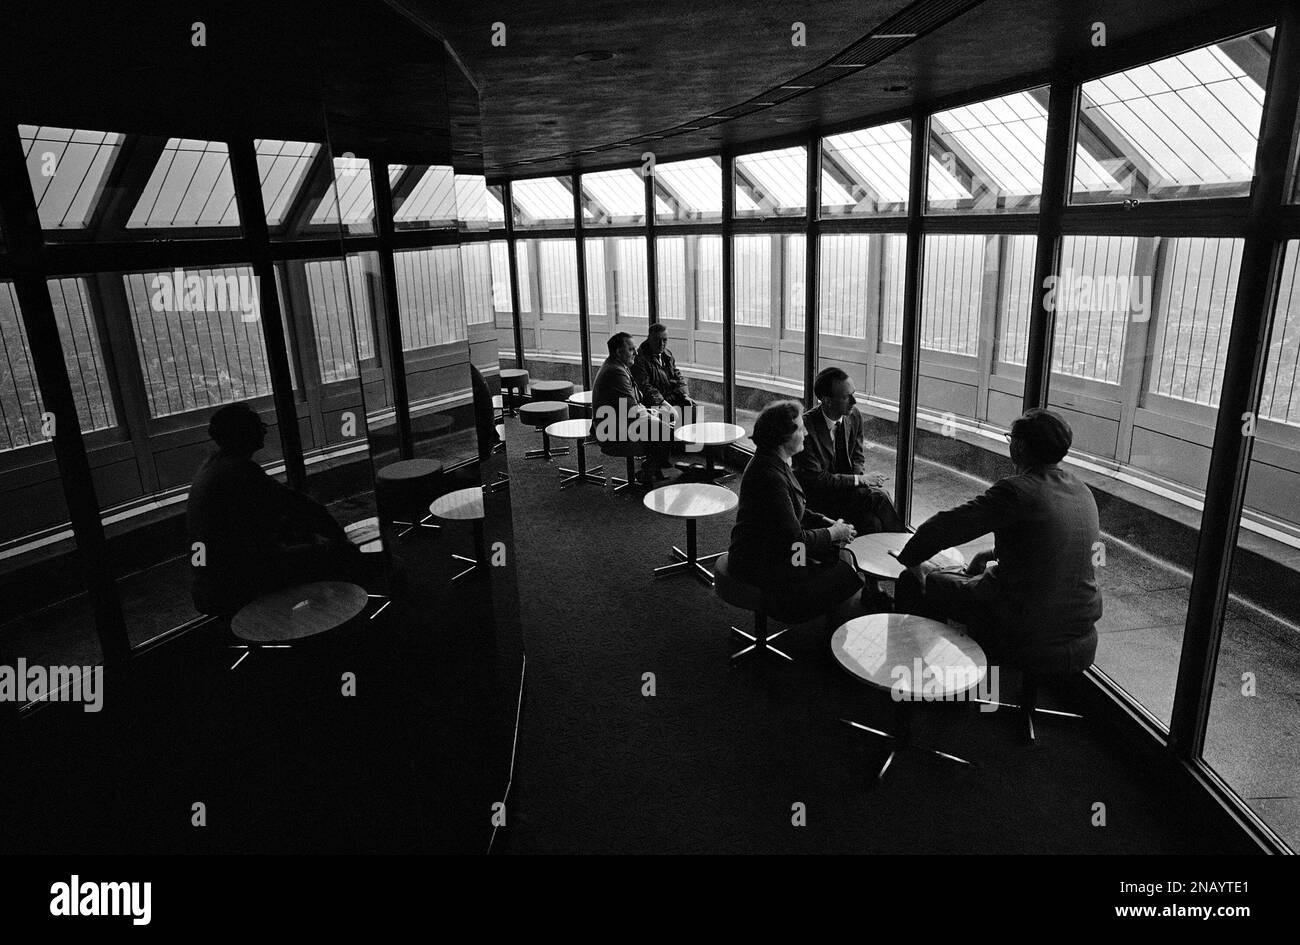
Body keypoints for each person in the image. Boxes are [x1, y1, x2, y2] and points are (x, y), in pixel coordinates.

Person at [893, 408, 1103, 676]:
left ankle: (924, 681)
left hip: (1025, 623)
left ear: (1020, 447)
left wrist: (911, 558)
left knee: (917, 581)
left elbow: (947, 526)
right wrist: (991, 553)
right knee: (968, 582)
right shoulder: (1081, 489)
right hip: (1080, 624)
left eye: (1011, 439)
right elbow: (1054, 547)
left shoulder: (1017, 491)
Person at [187, 402, 361, 616]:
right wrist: (337, 537)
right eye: (258, 424)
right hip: (237, 582)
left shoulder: (214, 465)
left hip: (213, 581)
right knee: (340, 554)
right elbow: (300, 506)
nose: (264, 429)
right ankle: (337, 621)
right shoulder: (240, 470)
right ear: (243, 433)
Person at [727, 400, 864, 621]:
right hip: (766, 563)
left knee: (837, 556)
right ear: (783, 437)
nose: (806, 434)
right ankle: (833, 642)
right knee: (844, 572)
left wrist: (825, 522)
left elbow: (792, 510)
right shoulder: (771, 476)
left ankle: (834, 626)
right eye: (800, 429)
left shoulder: (774, 461)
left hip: (770, 550)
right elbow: (795, 542)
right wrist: (835, 533)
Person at [794, 366, 905, 534]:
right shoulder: (805, 429)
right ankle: (907, 548)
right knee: (880, 498)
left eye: (853, 394)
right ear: (827, 400)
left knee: (873, 523)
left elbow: (857, 456)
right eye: (847, 397)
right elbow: (818, 481)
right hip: (820, 499)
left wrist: (859, 481)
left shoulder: (854, 415)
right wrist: (860, 481)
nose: (854, 402)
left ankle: (890, 553)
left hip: (847, 493)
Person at [592, 331, 677, 485]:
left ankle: (651, 469)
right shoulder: (616, 372)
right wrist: (655, 416)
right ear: (618, 352)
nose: (636, 353)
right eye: (631, 350)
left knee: (662, 424)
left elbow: (633, 403)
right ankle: (647, 472)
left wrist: (652, 413)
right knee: (665, 430)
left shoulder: (617, 366)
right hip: (612, 429)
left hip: (616, 421)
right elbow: (632, 410)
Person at [632, 323, 696, 426]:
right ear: (649, 339)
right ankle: (676, 440)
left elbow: (677, 375)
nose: (661, 344)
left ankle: (688, 439)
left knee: (691, 406)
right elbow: (646, 387)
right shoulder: (640, 358)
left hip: (667, 396)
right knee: (670, 415)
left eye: (665, 340)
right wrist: (665, 404)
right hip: (653, 402)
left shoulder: (667, 354)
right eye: (657, 340)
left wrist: (684, 395)